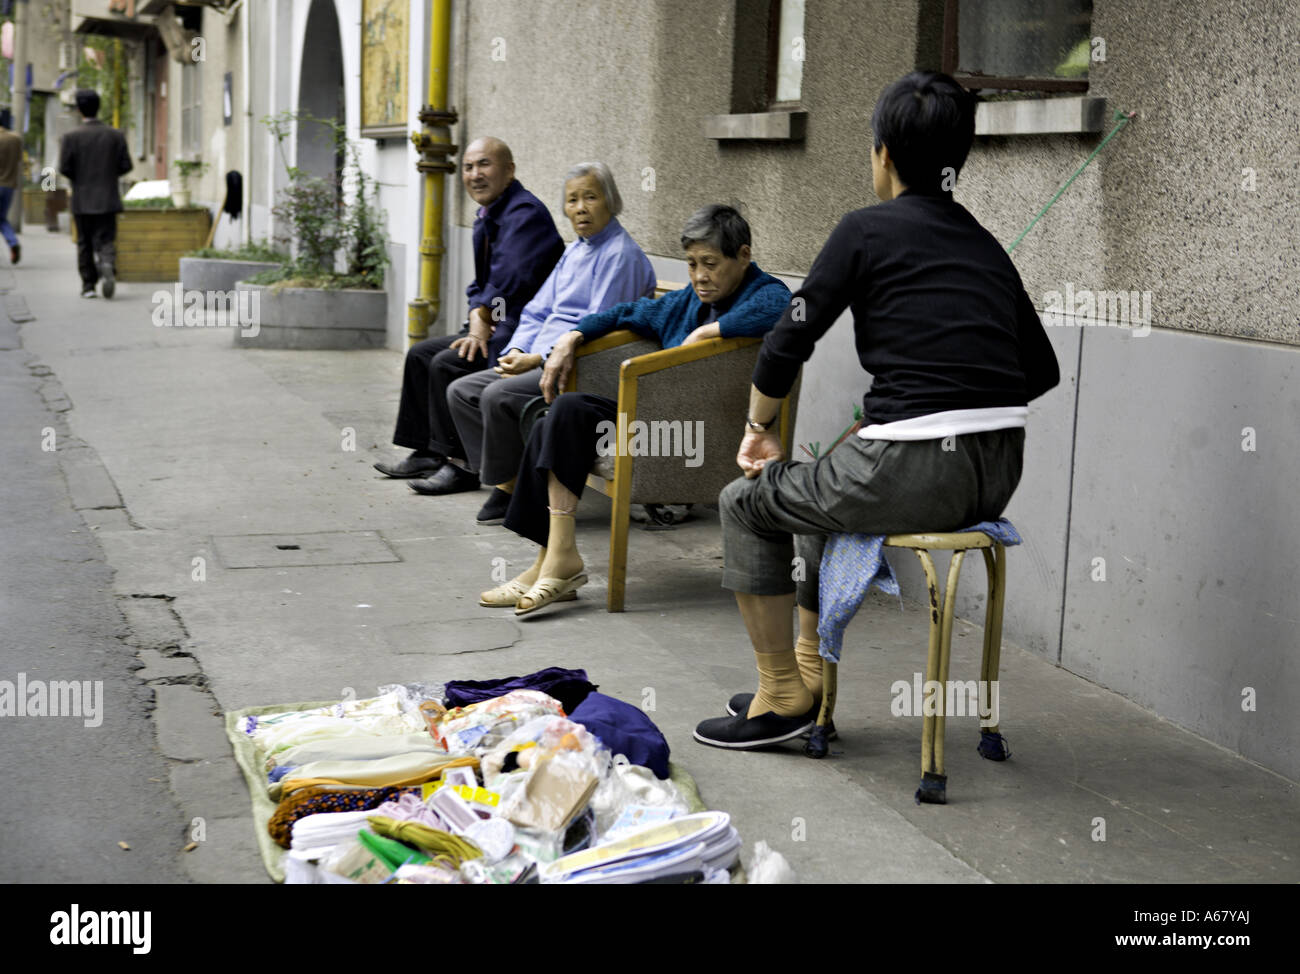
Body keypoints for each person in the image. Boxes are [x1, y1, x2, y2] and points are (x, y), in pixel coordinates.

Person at [692, 71, 1061, 750]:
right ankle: (807, 678)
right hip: (996, 472)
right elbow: (1043, 370)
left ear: (883, 154)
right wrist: (950, 405)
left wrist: (756, 428)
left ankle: (780, 697)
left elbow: (787, 340)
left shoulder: (865, 230)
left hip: (910, 470)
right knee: (810, 487)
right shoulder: (984, 243)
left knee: (745, 501)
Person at [478, 204, 791, 614]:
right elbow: (626, 312)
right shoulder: (684, 302)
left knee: (568, 414)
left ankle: (557, 564)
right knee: (556, 416)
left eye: (711, 264)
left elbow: (786, 306)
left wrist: (708, 332)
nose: (699, 276)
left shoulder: (763, 292)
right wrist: (571, 337)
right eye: (692, 263)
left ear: (744, 256)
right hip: (654, 419)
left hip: (696, 437)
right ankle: (551, 558)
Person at [445, 161, 656, 524]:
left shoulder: (620, 256)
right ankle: (515, 476)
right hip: (539, 358)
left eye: (590, 197)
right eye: (572, 200)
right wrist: (516, 351)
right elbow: (536, 312)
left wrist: (538, 359)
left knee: (497, 395)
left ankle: (509, 488)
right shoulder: (576, 250)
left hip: (579, 366)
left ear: (610, 201)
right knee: (462, 391)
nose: (580, 208)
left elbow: (597, 330)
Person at [375, 137, 564, 484]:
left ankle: (462, 463)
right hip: (495, 323)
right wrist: (478, 315)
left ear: (509, 172)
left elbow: (510, 281)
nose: (475, 174)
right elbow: (482, 286)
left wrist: (482, 318)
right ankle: (427, 452)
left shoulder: (525, 215)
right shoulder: (490, 213)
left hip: (521, 333)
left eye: (485, 165)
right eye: (468, 167)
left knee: (447, 362)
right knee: (420, 354)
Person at [58, 89, 132, 298]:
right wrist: (108, 174)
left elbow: (64, 167)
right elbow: (126, 165)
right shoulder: (115, 135)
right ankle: (107, 263)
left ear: (79, 109)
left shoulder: (71, 137)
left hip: (82, 198)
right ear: (98, 107)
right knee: (106, 238)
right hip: (108, 197)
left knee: (84, 242)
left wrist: (81, 177)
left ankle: (88, 286)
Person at [0, 114, 23, 265]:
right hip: (9, 185)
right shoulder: (15, 139)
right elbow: (19, 160)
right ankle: (12, 241)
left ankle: (12, 241)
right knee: (1, 217)